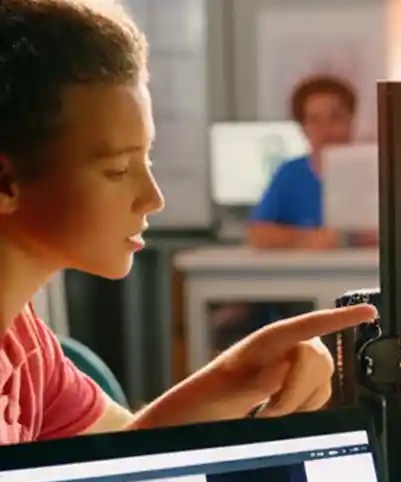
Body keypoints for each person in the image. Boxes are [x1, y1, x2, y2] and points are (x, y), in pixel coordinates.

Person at [0, 0, 372, 445]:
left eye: (147, 159)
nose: (153, 198)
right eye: (118, 170)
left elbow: (120, 454)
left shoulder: (23, 339)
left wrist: (233, 379)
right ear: (6, 181)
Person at [246, 73, 364, 250]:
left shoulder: (377, 170)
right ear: (303, 128)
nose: (326, 129)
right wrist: (315, 239)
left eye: (336, 118)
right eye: (315, 120)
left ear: (351, 120)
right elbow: (259, 234)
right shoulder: (290, 174)